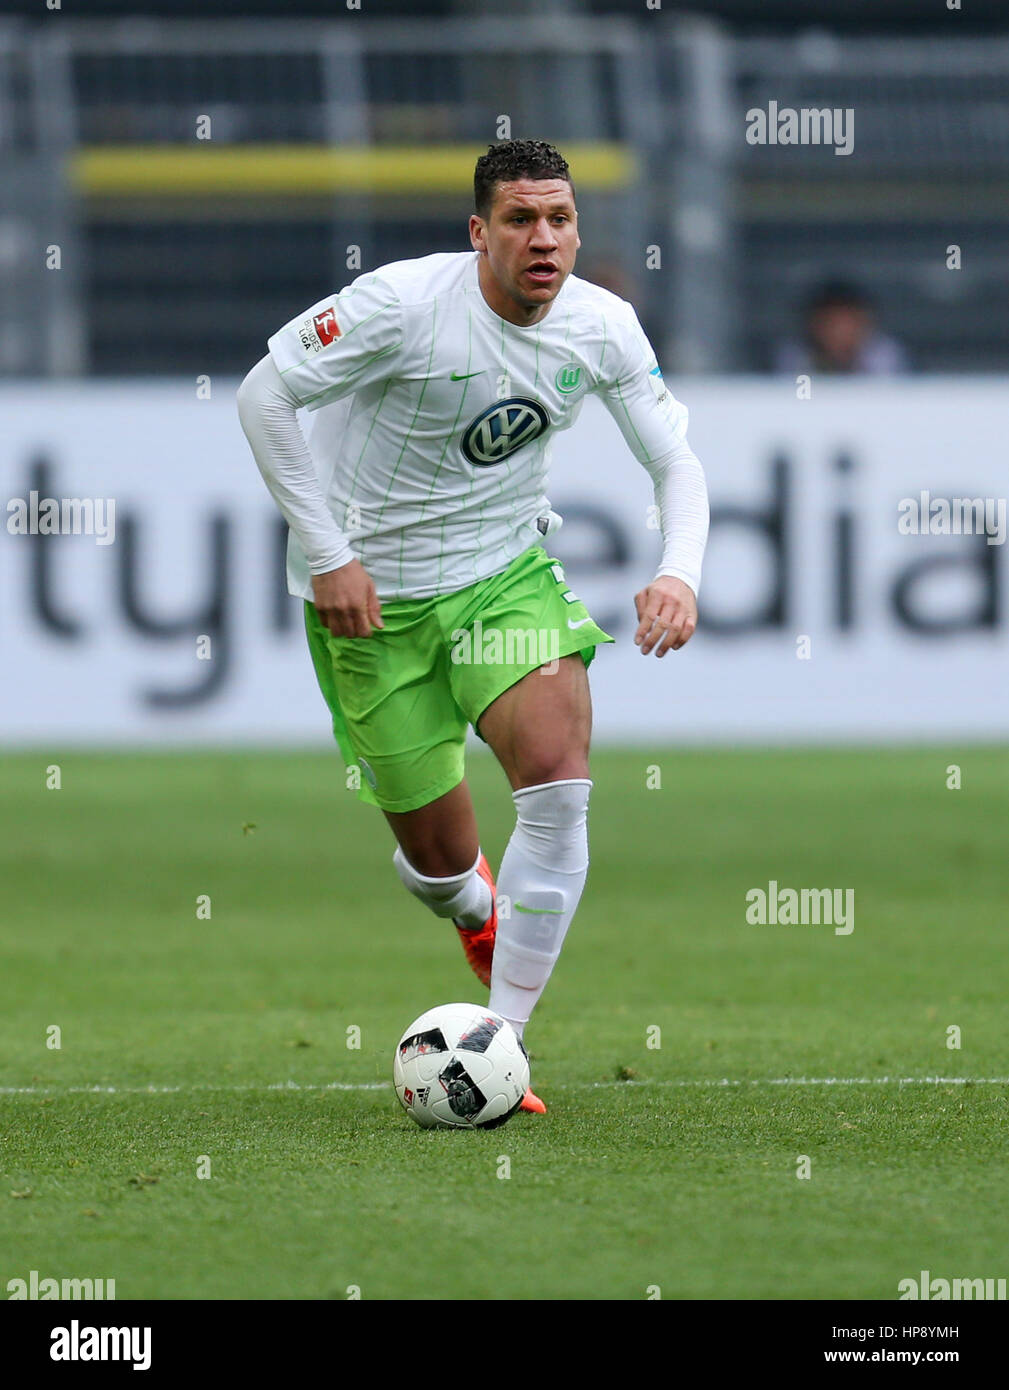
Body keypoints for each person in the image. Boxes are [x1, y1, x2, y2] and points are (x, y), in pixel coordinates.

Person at [237, 139, 709, 1117]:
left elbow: (677, 462)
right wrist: (327, 552)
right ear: (478, 232)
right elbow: (264, 394)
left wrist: (677, 573)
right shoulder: (401, 306)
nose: (546, 239)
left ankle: (502, 1044)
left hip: (502, 581)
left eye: (562, 219)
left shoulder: (601, 326)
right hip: (373, 602)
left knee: (557, 784)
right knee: (440, 864)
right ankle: (472, 906)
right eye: (522, 220)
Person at [775, 280, 909, 375]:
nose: (838, 331)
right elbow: (801, 399)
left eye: (846, 322)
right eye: (830, 322)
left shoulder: (885, 356)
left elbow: (883, 401)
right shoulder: (796, 357)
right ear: (814, 324)